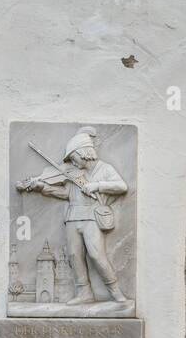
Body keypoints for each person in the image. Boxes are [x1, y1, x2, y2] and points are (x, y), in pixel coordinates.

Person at [15, 126, 129, 304]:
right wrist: (43, 187)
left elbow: (122, 186)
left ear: (83, 153)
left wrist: (97, 185)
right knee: (74, 256)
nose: (72, 163)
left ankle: (115, 292)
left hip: (92, 216)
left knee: (96, 255)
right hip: (72, 217)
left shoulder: (104, 169)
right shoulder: (74, 173)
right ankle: (84, 293)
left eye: (73, 158)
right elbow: (66, 194)